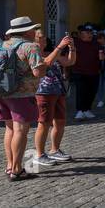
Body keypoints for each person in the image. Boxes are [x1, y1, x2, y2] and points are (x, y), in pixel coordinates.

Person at [0, 16, 66, 181]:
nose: (34, 32)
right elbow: (38, 72)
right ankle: (17, 170)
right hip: (21, 94)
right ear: (26, 32)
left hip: (0, 92)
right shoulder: (30, 46)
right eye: (32, 29)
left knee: (9, 129)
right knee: (20, 130)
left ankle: (10, 165)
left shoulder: (2, 44)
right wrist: (47, 64)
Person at [31, 28, 75, 168]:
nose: (44, 39)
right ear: (33, 39)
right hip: (43, 92)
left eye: (44, 37)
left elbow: (69, 62)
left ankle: (54, 150)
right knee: (44, 122)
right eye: (40, 37)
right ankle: (39, 154)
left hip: (58, 90)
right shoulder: (33, 53)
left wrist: (72, 48)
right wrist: (59, 47)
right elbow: (46, 63)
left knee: (60, 121)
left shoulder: (51, 52)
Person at [70, 25, 102, 120]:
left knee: (92, 92)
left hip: (94, 72)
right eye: (87, 33)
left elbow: (101, 57)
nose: (90, 35)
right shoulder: (75, 43)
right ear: (81, 34)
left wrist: (103, 55)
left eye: (91, 33)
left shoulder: (96, 43)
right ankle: (80, 111)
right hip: (79, 72)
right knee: (81, 91)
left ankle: (87, 109)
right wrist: (66, 71)